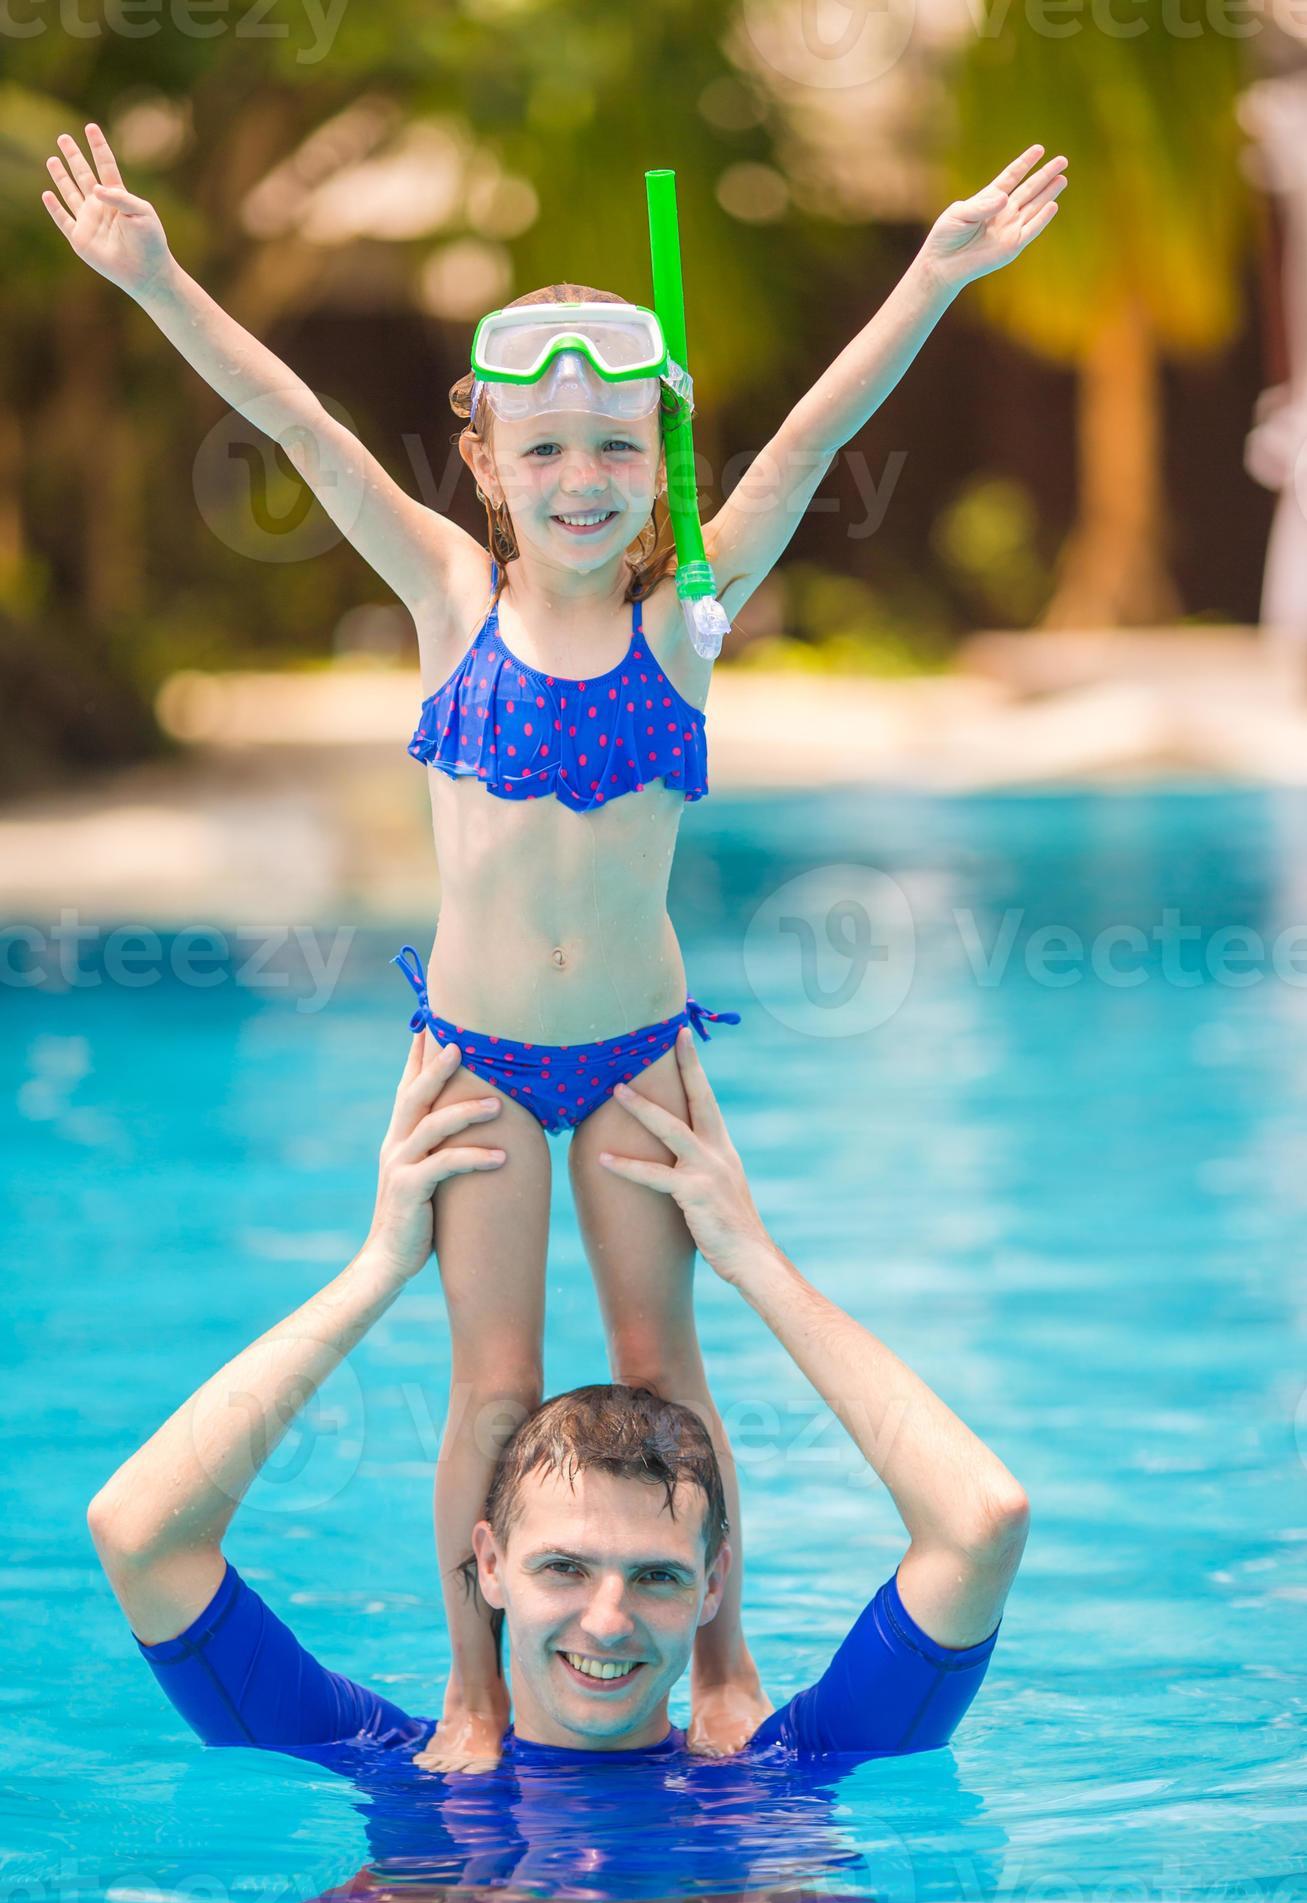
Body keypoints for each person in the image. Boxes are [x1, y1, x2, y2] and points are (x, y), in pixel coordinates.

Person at [48, 120, 1062, 1765]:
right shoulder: (452, 598)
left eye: (613, 448)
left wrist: (934, 271)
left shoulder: (687, 617)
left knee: (667, 1364)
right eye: (544, 451)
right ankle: (471, 1690)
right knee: (494, 1391)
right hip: (481, 1065)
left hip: (643, 1049)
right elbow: (296, 423)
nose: (580, 482)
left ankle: (721, 1672)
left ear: (654, 458)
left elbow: (808, 442)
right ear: (483, 461)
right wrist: (158, 277)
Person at [87, 1025, 1030, 1781]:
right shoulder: (389, 1766)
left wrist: (753, 1259)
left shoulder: (779, 1772)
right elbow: (139, 1534)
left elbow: (980, 1522)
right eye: (564, 1568)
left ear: (712, 1587)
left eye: (657, 1576)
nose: (608, 1620)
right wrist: (376, 1267)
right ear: (488, 1564)